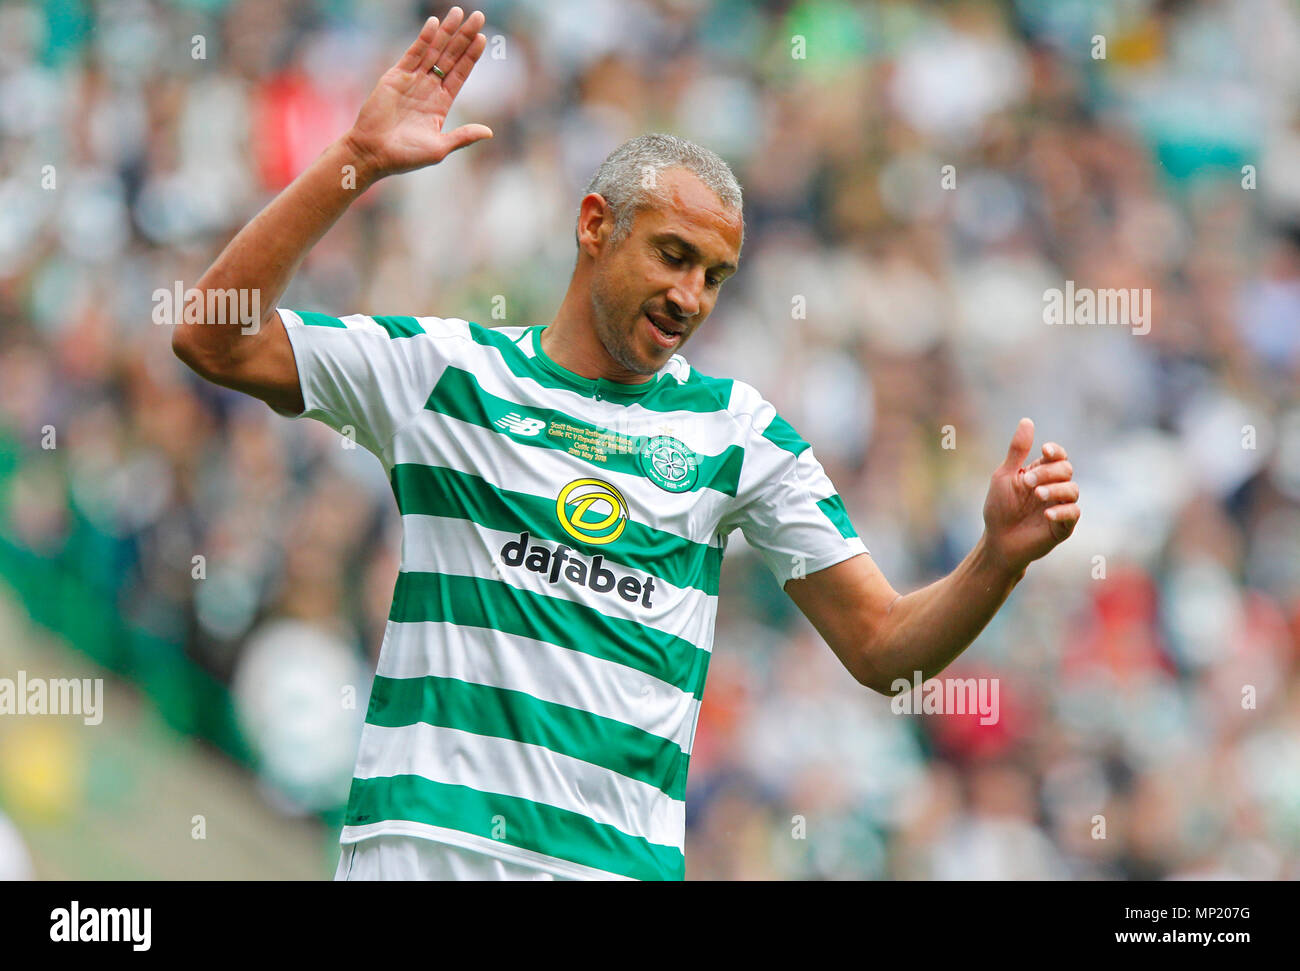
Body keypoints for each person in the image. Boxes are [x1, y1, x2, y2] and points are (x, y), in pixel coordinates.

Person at [171, 7, 1080, 880]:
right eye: (674, 256)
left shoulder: (741, 433)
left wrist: (996, 559)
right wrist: (356, 159)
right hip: (423, 853)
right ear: (596, 224)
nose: (692, 298)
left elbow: (885, 648)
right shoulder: (447, 373)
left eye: (715, 276)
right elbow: (213, 337)